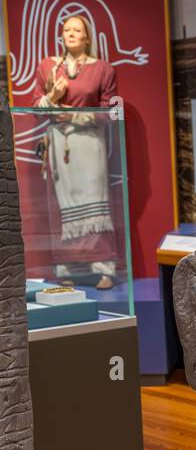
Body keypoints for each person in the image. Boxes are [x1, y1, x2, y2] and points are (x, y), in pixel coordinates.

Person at [34, 15, 118, 289]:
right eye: (66, 29)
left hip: (88, 142)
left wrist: (75, 115)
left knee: (95, 203)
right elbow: (36, 108)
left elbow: (110, 111)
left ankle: (103, 267)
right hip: (58, 142)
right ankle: (68, 267)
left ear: (87, 36)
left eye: (76, 29)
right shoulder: (48, 66)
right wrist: (54, 98)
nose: (70, 33)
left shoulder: (103, 69)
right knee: (63, 206)